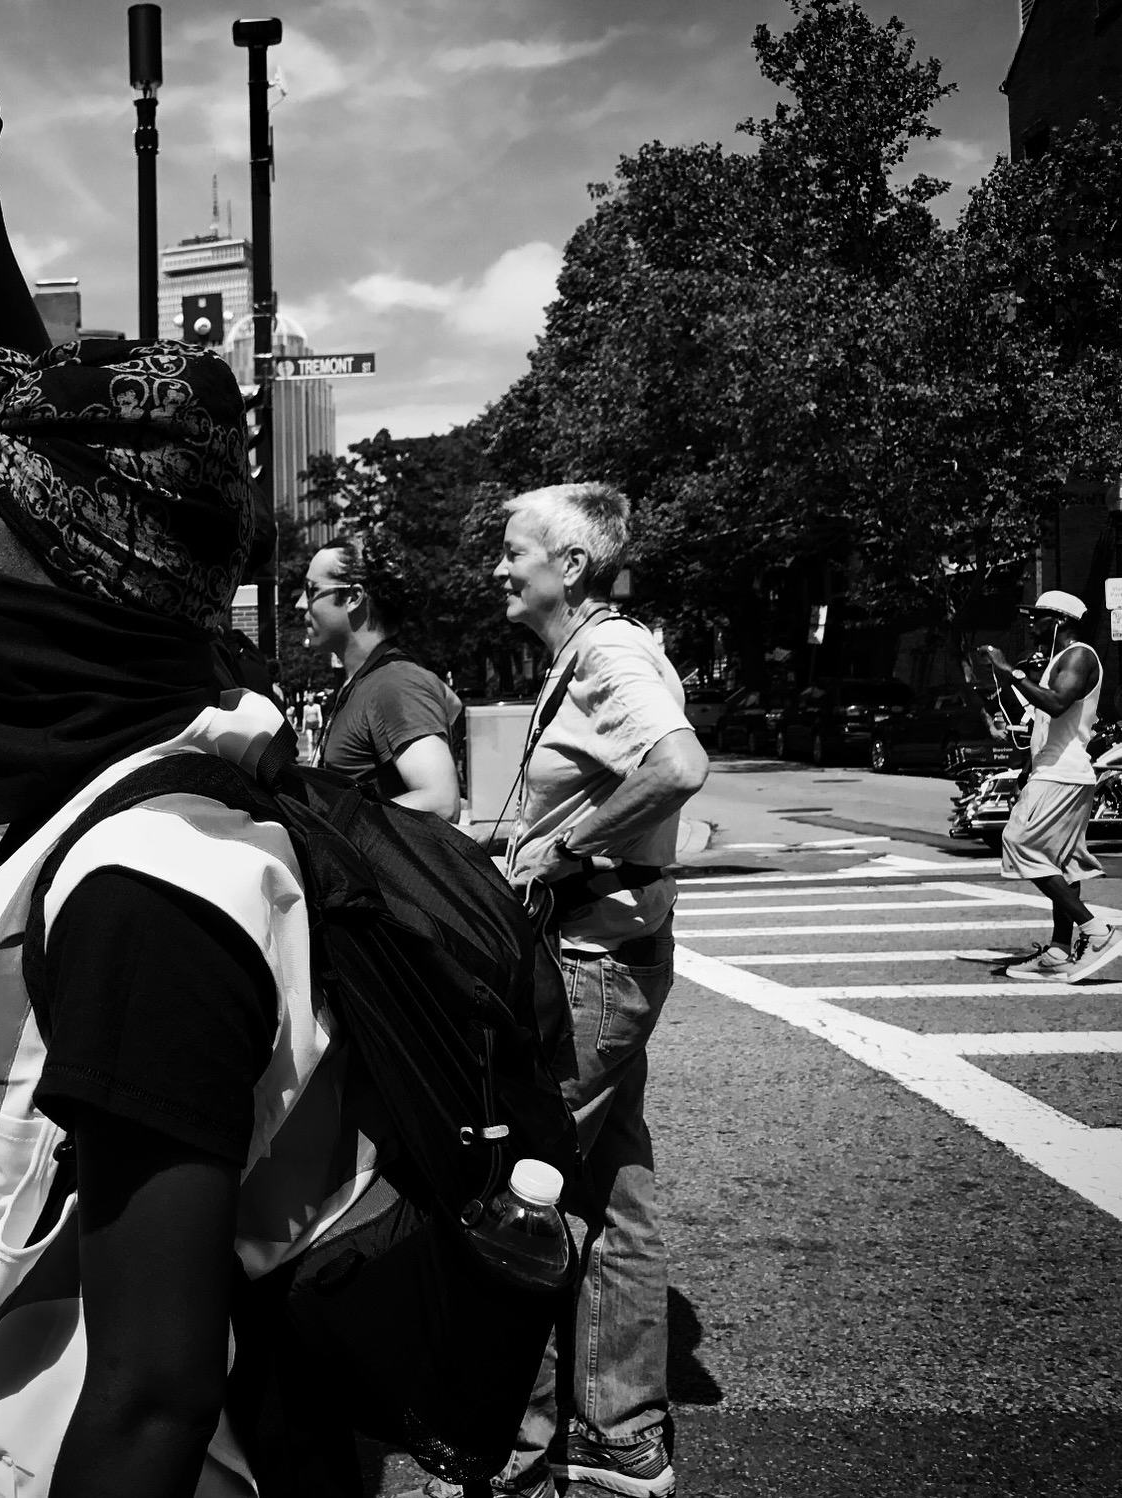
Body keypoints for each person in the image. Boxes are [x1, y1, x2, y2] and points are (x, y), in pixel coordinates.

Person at [0, 68, 371, 1498]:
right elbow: (60, 474)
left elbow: (151, 1393)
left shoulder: (149, 892)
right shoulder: (153, 750)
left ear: (68, 607)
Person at [485, 482, 707, 1498]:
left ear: (567, 566)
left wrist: (559, 851)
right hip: (608, 955)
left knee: (519, 1188)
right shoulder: (587, 652)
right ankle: (618, 1438)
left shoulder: (610, 654)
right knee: (615, 1190)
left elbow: (675, 763)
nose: (498, 565)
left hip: (592, 965)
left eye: (512, 549)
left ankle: (508, 1441)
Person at [983, 590, 1119, 983]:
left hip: (1063, 773)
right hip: (1055, 770)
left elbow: (1057, 704)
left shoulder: (1079, 656)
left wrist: (1011, 671)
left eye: (1038, 616)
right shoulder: (1059, 660)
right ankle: (1059, 951)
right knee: (1061, 863)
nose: (1031, 622)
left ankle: (1098, 932)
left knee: (1018, 841)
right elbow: (1047, 722)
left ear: (1060, 620)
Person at [300, 532, 464, 818]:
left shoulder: (396, 683)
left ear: (353, 597)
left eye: (311, 589)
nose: (301, 603)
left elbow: (440, 802)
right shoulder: (366, 682)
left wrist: (333, 823)